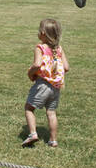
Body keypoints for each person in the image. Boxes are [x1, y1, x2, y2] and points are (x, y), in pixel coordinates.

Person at [22, 18, 68, 148]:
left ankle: (32, 134)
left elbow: (37, 64)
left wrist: (31, 72)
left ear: (42, 33)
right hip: (56, 87)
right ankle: (53, 140)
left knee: (29, 108)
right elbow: (66, 68)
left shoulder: (40, 47)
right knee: (51, 112)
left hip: (43, 84)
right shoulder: (59, 49)